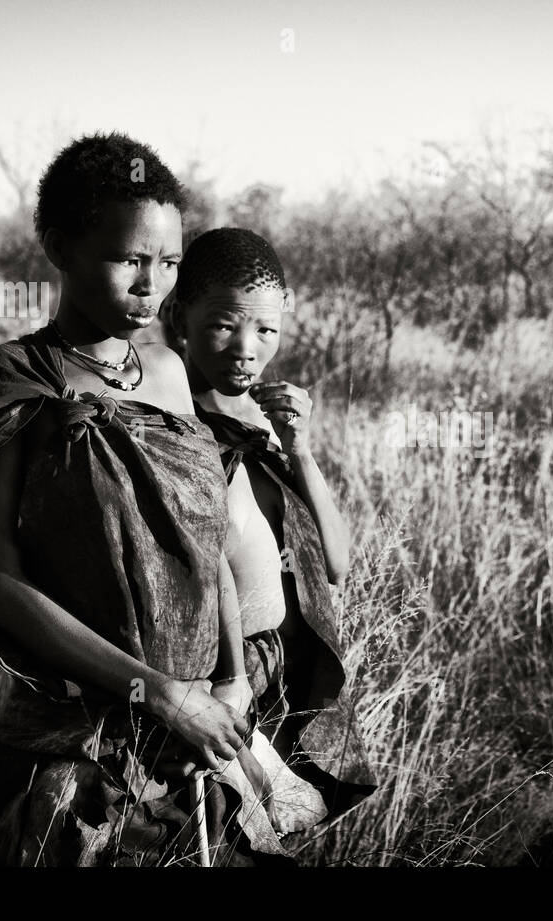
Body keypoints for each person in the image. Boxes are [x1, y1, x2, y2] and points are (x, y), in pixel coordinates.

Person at [0, 133, 287, 866]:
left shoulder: (166, 370)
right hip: (73, 743)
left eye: (169, 263)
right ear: (61, 248)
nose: (151, 285)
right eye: (129, 259)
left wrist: (230, 679)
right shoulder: (15, 382)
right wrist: (155, 691)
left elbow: (206, 538)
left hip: (197, 737)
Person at [166, 227, 378, 836]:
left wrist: (301, 451)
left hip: (281, 679)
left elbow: (334, 565)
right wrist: (225, 684)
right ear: (180, 317)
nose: (246, 349)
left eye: (266, 330)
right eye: (225, 325)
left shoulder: (261, 422)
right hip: (215, 687)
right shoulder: (171, 432)